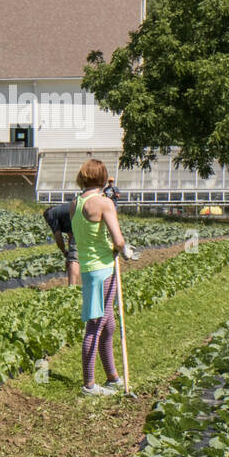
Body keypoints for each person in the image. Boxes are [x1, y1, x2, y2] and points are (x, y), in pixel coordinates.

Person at [72, 159, 137, 397]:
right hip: (103, 270)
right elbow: (118, 240)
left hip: (89, 268)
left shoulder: (76, 204)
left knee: (107, 324)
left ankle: (112, 377)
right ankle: (89, 385)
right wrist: (124, 250)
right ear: (103, 178)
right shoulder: (103, 203)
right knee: (96, 325)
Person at [43, 198, 80, 286]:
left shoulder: (50, 215)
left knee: (73, 258)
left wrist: (64, 252)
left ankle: (72, 288)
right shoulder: (62, 213)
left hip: (81, 223)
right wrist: (68, 252)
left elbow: (58, 236)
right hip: (90, 218)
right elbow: (71, 235)